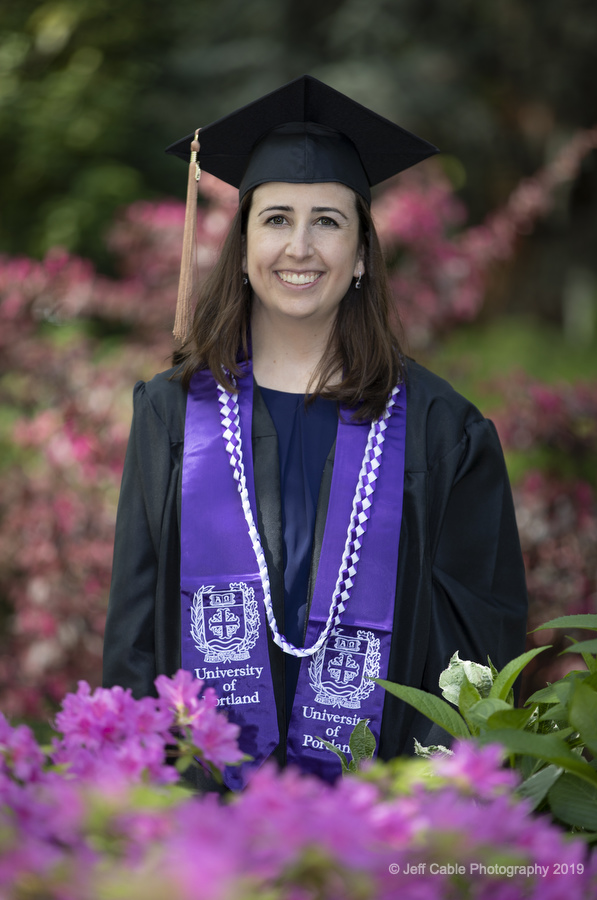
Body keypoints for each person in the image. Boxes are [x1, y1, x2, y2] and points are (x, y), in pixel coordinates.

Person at [103, 75, 528, 790]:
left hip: (378, 828)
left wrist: (420, 812)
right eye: (275, 219)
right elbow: (136, 635)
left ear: (362, 253)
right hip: (200, 836)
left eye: (328, 221)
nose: (299, 247)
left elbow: (473, 654)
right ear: (241, 247)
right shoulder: (170, 416)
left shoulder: (441, 431)